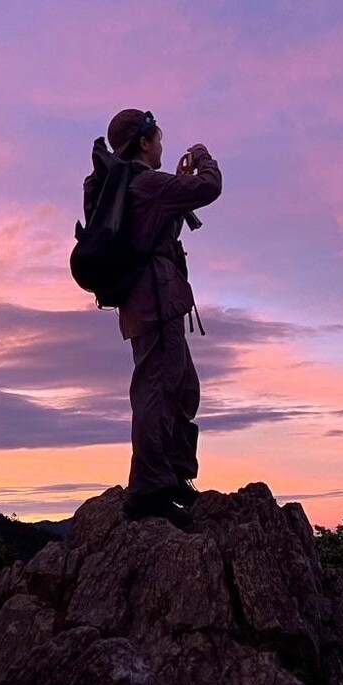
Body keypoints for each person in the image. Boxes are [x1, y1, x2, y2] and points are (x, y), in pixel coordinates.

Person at [94, 108, 222, 529]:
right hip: (154, 300)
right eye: (159, 138)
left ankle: (172, 475)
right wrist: (203, 157)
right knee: (155, 389)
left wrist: (178, 185)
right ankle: (149, 490)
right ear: (144, 143)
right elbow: (209, 188)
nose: (163, 145)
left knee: (181, 387)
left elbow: (156, 233)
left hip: (155, 299)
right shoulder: (143, 181)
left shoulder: (134, 185)